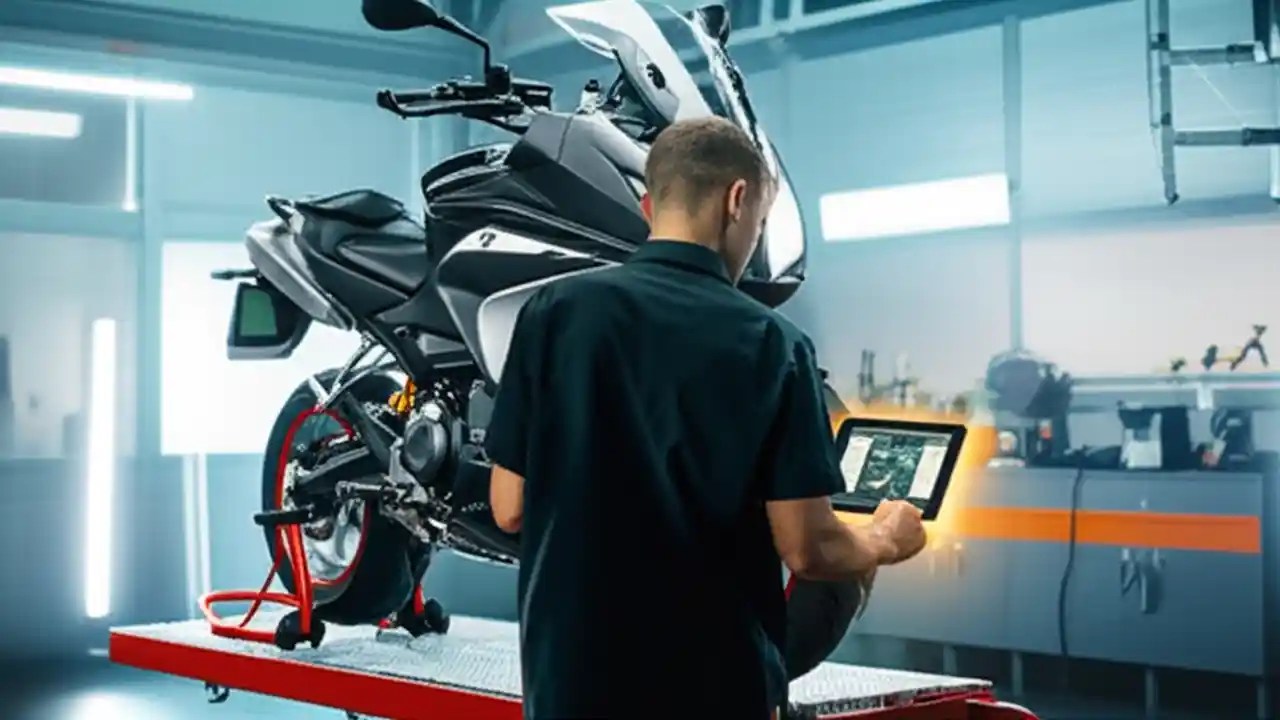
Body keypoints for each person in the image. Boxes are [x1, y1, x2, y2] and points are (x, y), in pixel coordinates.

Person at [484, 116, 928, 720]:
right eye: (762, 222)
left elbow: (509, 506)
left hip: (568, 687)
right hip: (713, 691)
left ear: (649, 206)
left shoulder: (553, 312)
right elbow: (807, 549)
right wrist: (883, 538)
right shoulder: (774, 345)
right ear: (739, 200)